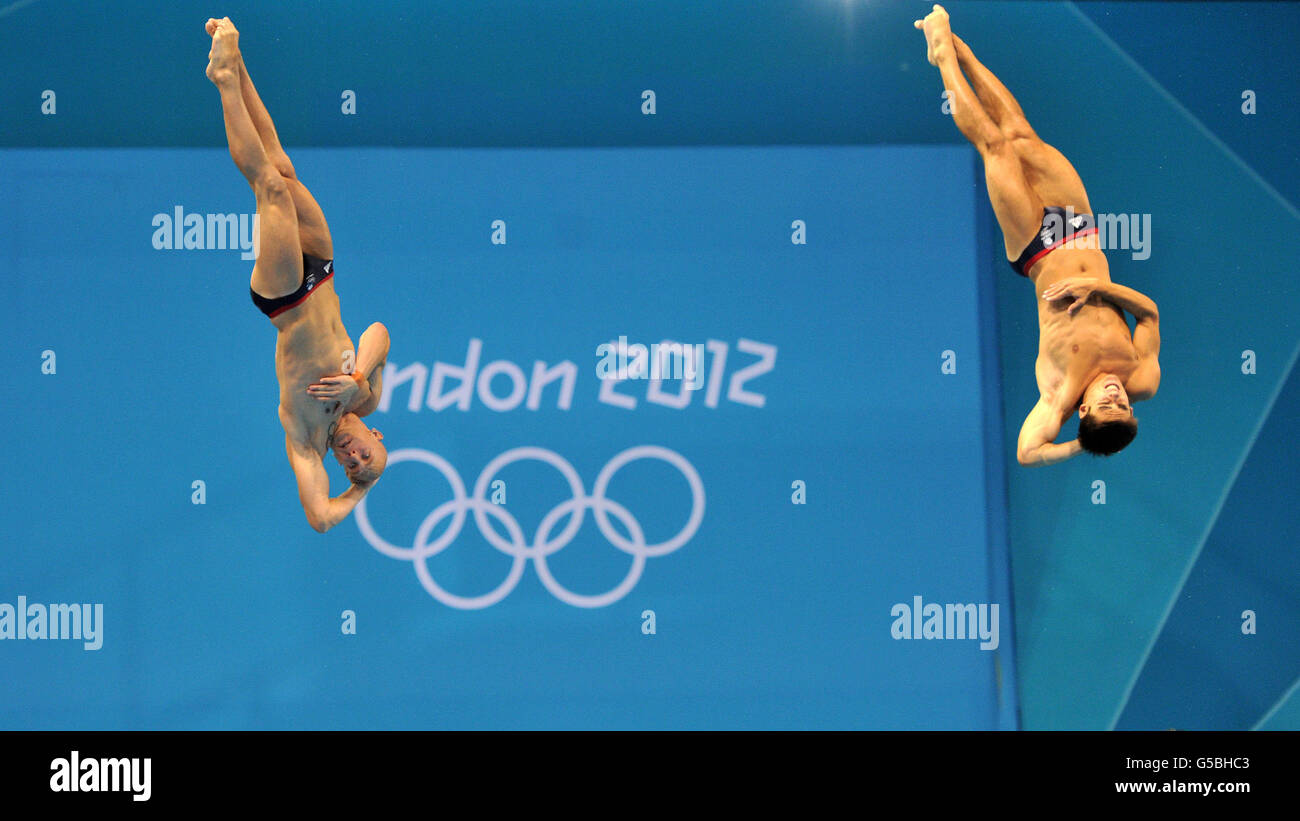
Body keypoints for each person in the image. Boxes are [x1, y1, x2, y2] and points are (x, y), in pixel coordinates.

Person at [915, 5, 1161, 465]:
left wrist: (1078, 444)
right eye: (1123, 405)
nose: (1116, 396)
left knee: (994, 147)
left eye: (1107, 406)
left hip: (1036, 248)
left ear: (1085, 411)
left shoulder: (1060, 395)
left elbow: (1027, 453)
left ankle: (943, 56)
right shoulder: (1140, 378)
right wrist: (1100, 288)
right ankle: (960, 53)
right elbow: (1149, 315)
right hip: (1080, 230)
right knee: (1021, 134)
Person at [206, 17, 389, 528]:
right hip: (323, 274)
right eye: (365, 458)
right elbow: (380, 332)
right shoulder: (367, 398)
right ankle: (237, 64)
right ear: (375, 438)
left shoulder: (307, 441)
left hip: (284, 299)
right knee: (283, 167)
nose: (353, 458)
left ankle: (223, 79)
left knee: (270, 188)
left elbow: (321, 518)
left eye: (350, 466)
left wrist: (360, 490)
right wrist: (356, 379)